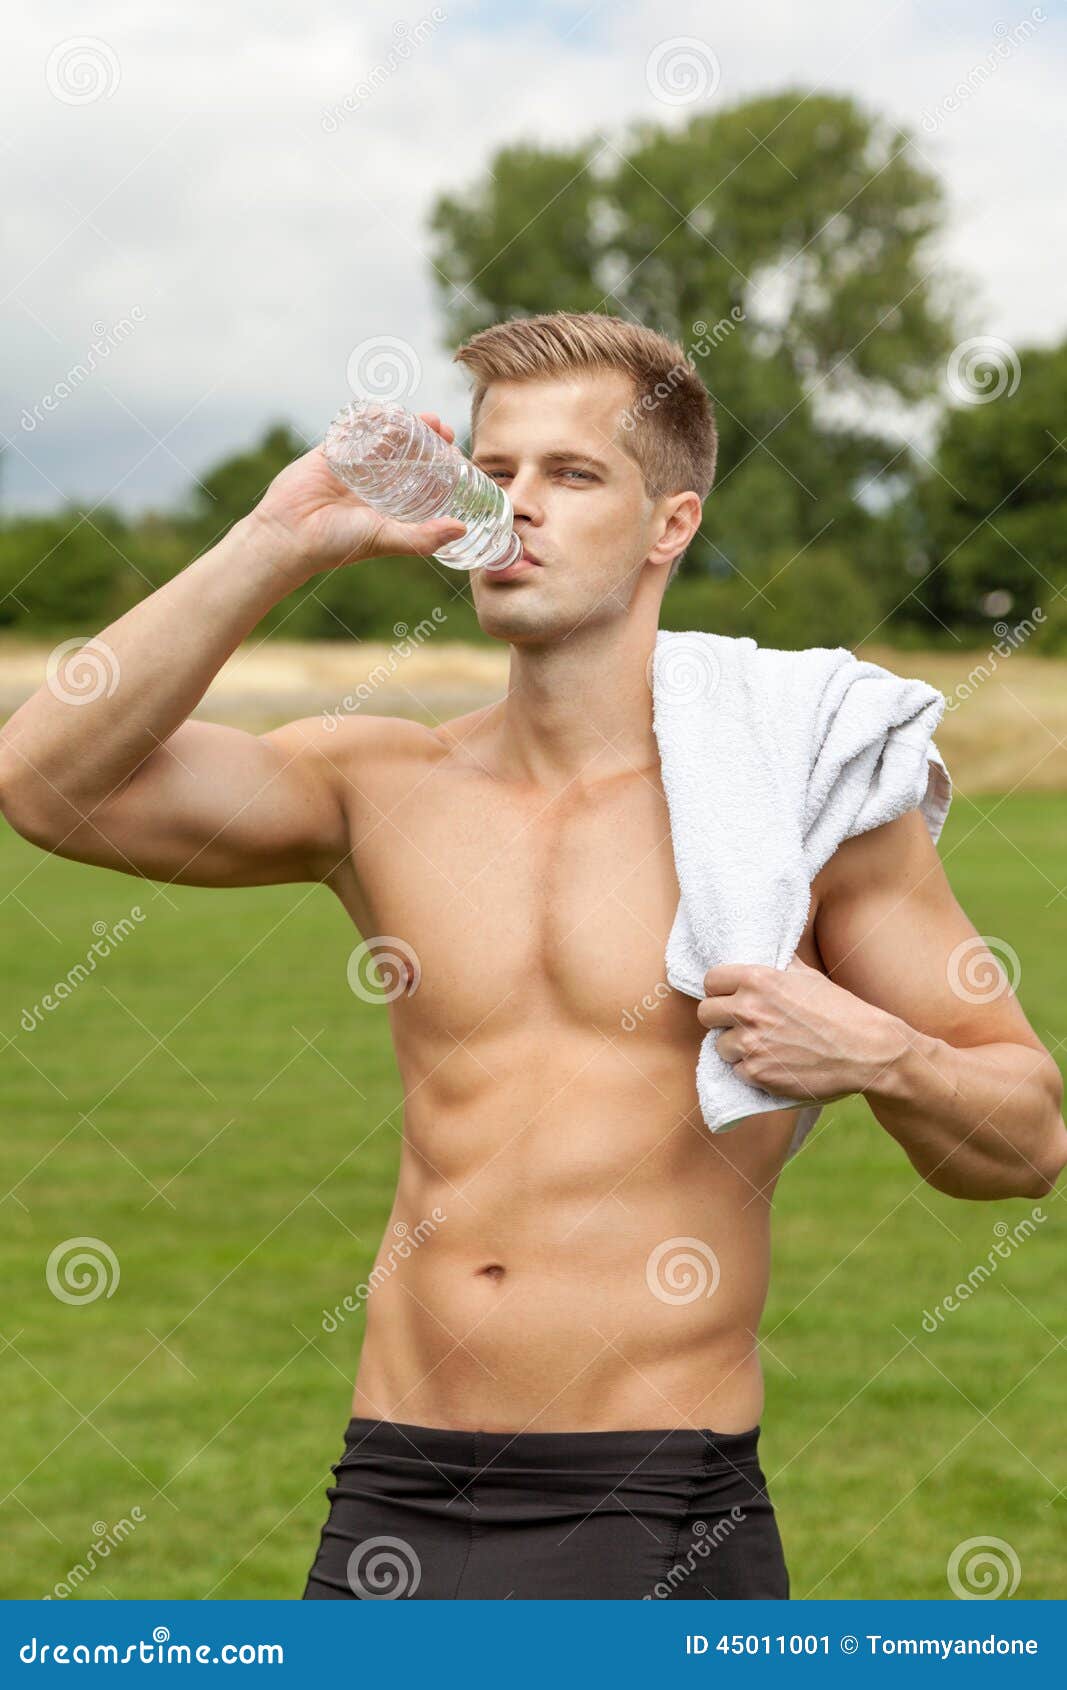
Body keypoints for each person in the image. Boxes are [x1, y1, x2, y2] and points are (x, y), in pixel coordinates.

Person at [1, 311, 1063, 1601]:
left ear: (671, 523)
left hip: (659, 1499)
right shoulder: (379, 782)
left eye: (573, 474)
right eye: (497, 470)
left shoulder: (798, 799)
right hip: (391, 1484)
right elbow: (45, 785)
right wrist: (277, 540)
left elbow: (1028, 1135)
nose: (521, 507)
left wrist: (883, 1055)